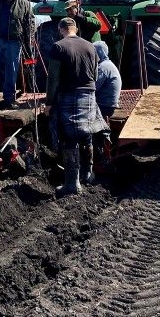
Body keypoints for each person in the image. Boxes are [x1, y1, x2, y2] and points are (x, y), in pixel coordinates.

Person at [44, 17, 107, 197]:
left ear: (60, 29)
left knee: (69, 138)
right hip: (89, 95)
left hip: (69, 95)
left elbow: (53, 79)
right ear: (76, 29)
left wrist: (49, 103)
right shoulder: (90, 46)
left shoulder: (58, 47)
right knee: (86, 135)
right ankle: (87, 175)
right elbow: (95, 75)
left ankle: (72, 184)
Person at [93, 40, 122, 119]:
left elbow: (93, 87)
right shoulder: (107, 64)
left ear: (99, 53)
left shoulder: (103, 68)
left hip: (105, 106)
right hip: (109, 104)